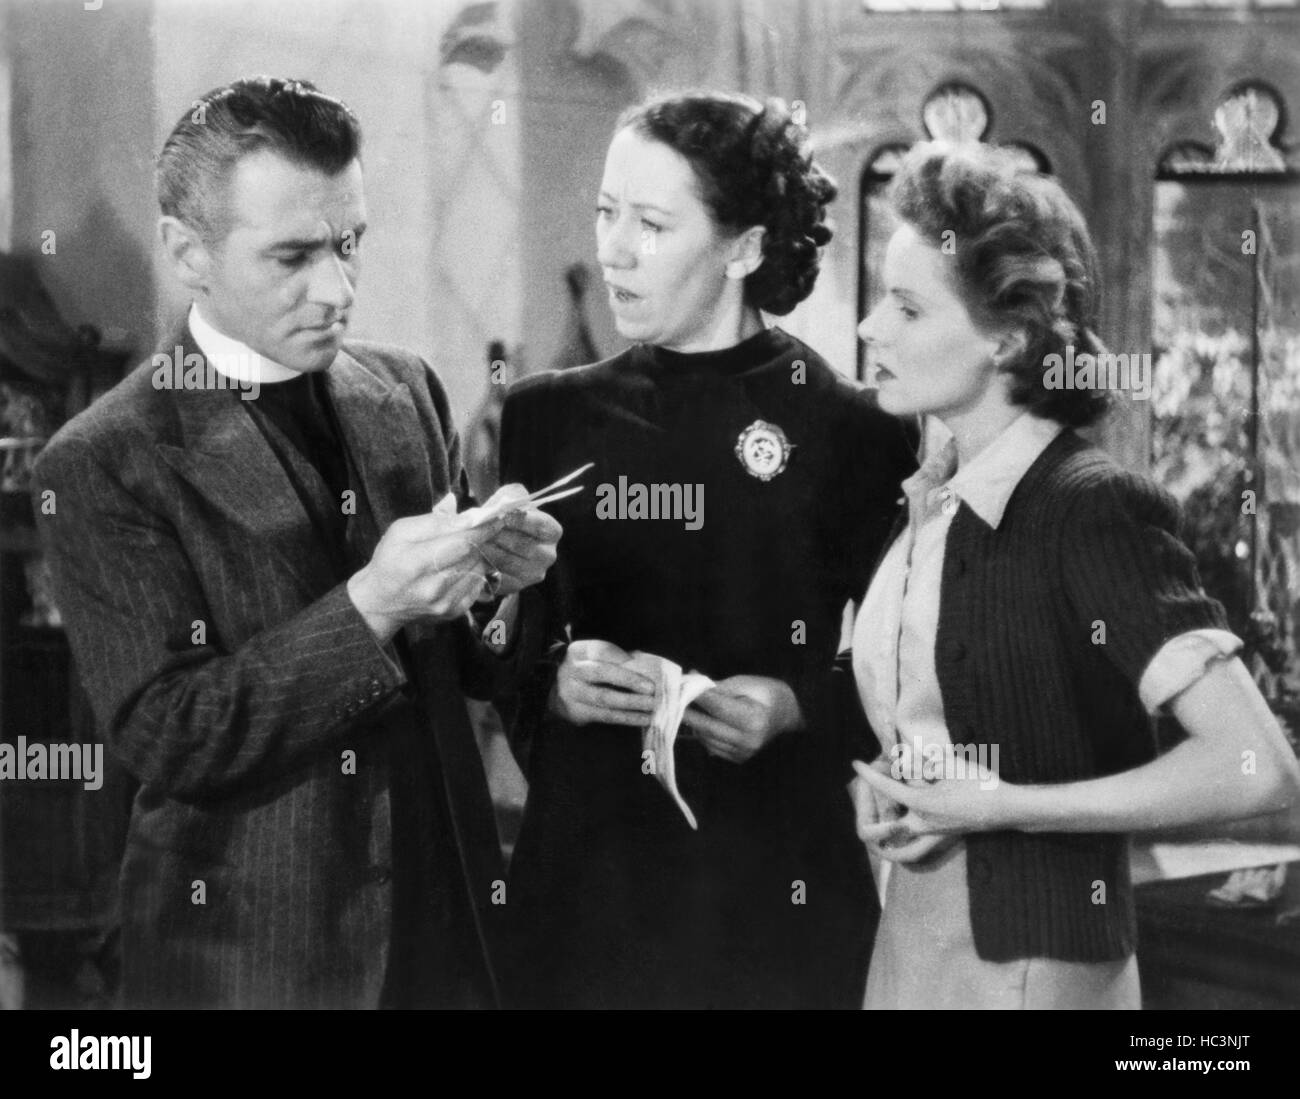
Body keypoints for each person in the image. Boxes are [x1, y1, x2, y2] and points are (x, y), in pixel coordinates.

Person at [32, 76, 561, 1009]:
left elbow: (470, 667)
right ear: (186, 253)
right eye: (295, 255)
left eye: (349, 242)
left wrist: (502, 589)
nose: (339, 288)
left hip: (446, 936)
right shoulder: (106, 459)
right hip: (255, 958)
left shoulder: (405, 390)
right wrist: (372, 605)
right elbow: (174, 734)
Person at [848, 141, 1300, 1009]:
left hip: (1031, 962)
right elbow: (945, 713)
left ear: (1008, 337)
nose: (871, 327)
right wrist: (889, 782)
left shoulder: (1090, 507)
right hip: (911, 930)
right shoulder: (932, 496)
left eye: (906, 307)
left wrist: (1008, 804)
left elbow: (1256, 765)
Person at [498, 91, 916, 1008]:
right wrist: (555, 680)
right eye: (607, 213)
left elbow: (910, 671)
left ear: (745, 248)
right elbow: (499, 652)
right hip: (588, 900)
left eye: (651, 223)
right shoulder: (544, 414)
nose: (612, 248)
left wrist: (800, 705)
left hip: (775, 899)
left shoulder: (854, 428)